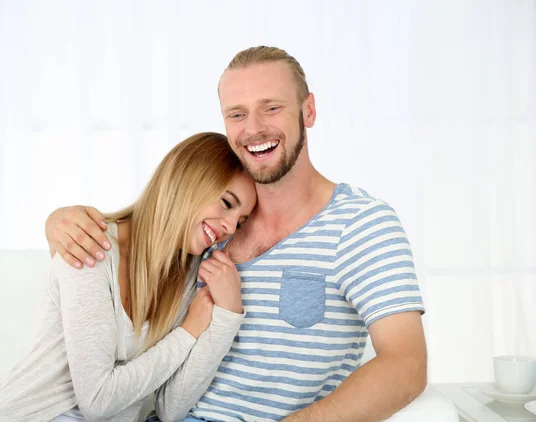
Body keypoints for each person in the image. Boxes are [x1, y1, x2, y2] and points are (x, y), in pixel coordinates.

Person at [47, 46, 427, 422]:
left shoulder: (361, 223)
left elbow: (406, 365)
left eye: (272, 107)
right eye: (237, 114)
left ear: (308, 110)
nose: (254, 128)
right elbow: (135, 252)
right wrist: (60, 222)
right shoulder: (209, 232)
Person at [0, 132, 256, 421]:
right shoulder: (91, 244)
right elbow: (97, 401)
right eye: (227, 203)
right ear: (187, 182)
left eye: (241, 221)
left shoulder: (186, 279)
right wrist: (188, 333)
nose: (231, 227)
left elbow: (171, 409)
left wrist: (227, 317)